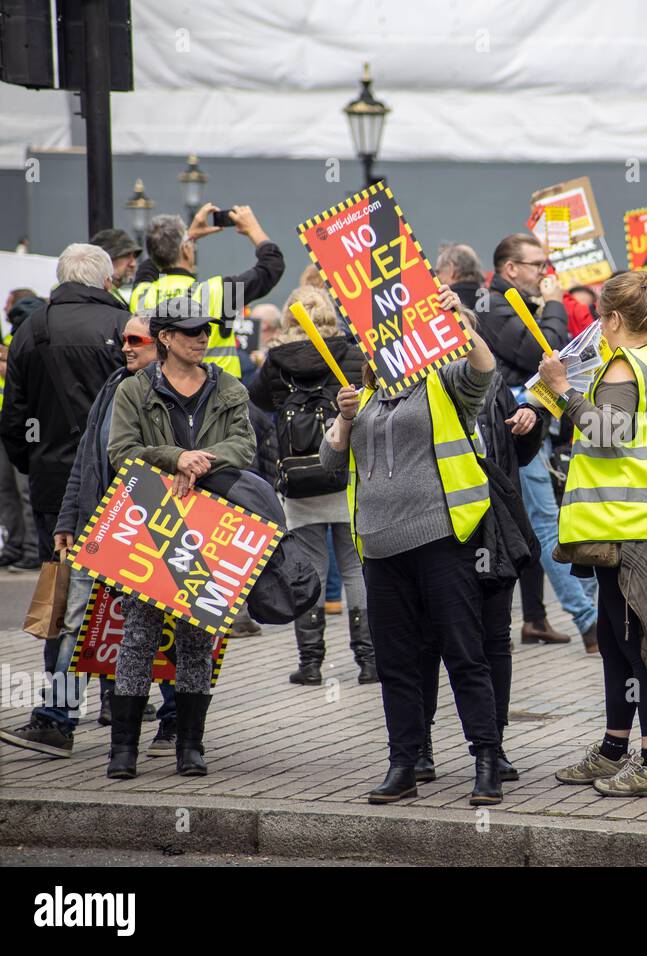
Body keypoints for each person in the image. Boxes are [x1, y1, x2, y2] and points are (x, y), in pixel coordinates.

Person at [322, 285, 504, 807]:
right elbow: (330, 465)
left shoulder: (440, 383)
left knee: (463, 653)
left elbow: (483, 373)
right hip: (379, 549)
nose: (378, 347)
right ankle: (403, 762)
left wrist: (460, 325)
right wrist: (343, 417)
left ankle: (486, 761)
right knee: (397, 663)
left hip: (440, 540)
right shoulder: (364, 398)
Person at [548, 271, 647, 798]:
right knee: (623, 646)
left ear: (614, 319)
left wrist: (562, 390)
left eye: (600, 316)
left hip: (632, 529)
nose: (597, 326)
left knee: (643, 649)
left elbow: (606, 432)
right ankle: (616, 748)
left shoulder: (623, 363)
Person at [0, 315, 173, 758]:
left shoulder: (171, 392)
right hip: (101, 524)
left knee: (164, 626)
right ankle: (58, 721)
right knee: (75, 623)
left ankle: (173, 721)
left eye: (136, 340)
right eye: (124, 340)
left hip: (152, 527)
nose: (126, 347)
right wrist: (68, 521)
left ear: (163, 343)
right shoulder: (114, 384)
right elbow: (85, 462)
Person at [104, 296, 257, 780]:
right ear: (165, 338)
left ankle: (190, 746)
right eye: (190, 331)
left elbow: (247, 445)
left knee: (197, 640)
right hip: (149, 522)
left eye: (205, 331)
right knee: (138, 638)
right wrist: (175, 457)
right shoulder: (133, 389)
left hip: (209, 523)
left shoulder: (228, 386)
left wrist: (201, 459)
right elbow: (121, 452)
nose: (201, 338)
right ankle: (122, 750)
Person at [417, 305, 546, 783]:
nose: (459, 336)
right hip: (438, 527)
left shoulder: (492, 383)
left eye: (465, 327)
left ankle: (493, 745)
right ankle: (421, 746)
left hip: (493, 525)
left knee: (495, 641)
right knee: (428, 640)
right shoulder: (419, 385)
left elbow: (518, 451)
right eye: (449, 328)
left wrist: (530, 421)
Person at [249, 286, 373, 686]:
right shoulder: (352, 354)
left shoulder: (276, 361)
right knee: (355, 568)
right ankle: (369, 662)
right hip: (345, 472)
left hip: (299, 479)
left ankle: (311, 663)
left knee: (311, 569)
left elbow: (260, 403)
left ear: (289, 318)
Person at [479, 233, 598, 649]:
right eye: (537, 266)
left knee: (535, 522)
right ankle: (590, 621)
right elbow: (545, 352)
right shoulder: (494, 306)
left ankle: (536, 618)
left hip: (530, 424)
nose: (545, 273)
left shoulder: (510, 304)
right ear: (510, 270)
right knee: (546, 521)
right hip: (516, 427)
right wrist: (553, 303)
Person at [1, 244, 129, 564]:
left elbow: (16, 415)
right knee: (115, 590)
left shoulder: (31, 329)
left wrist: (33, 461)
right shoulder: (125, 326)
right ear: (107, 282)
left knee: (60, 584)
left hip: (51, 477)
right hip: (116, 478)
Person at [129, 203, 285, 378]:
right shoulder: (218, 292)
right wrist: (253, 229)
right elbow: (272, 266)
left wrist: (188, 237)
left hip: (161, 392)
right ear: (186, 251)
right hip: (218, 395)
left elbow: (148, 266)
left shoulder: (141, 294)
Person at [0, 294, 44, 570]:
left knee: (25, 487)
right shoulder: (9, 340)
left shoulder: (32, 339)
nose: (7, 311)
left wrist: (11, 364)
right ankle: (14, 544)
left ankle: (33, 548)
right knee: (3, 485)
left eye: (11, 306)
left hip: (26, 422)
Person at [89, 228, 142, 299]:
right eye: (125, 256)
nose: (133, 264)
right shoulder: (93, 297)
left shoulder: (112, 296)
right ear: (106, 259)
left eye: (134, 256)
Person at [435, 242, 485, 311]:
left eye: (438, 272)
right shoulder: (488, 301)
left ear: (451, 269)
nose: (436, 277)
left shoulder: (446, 304)